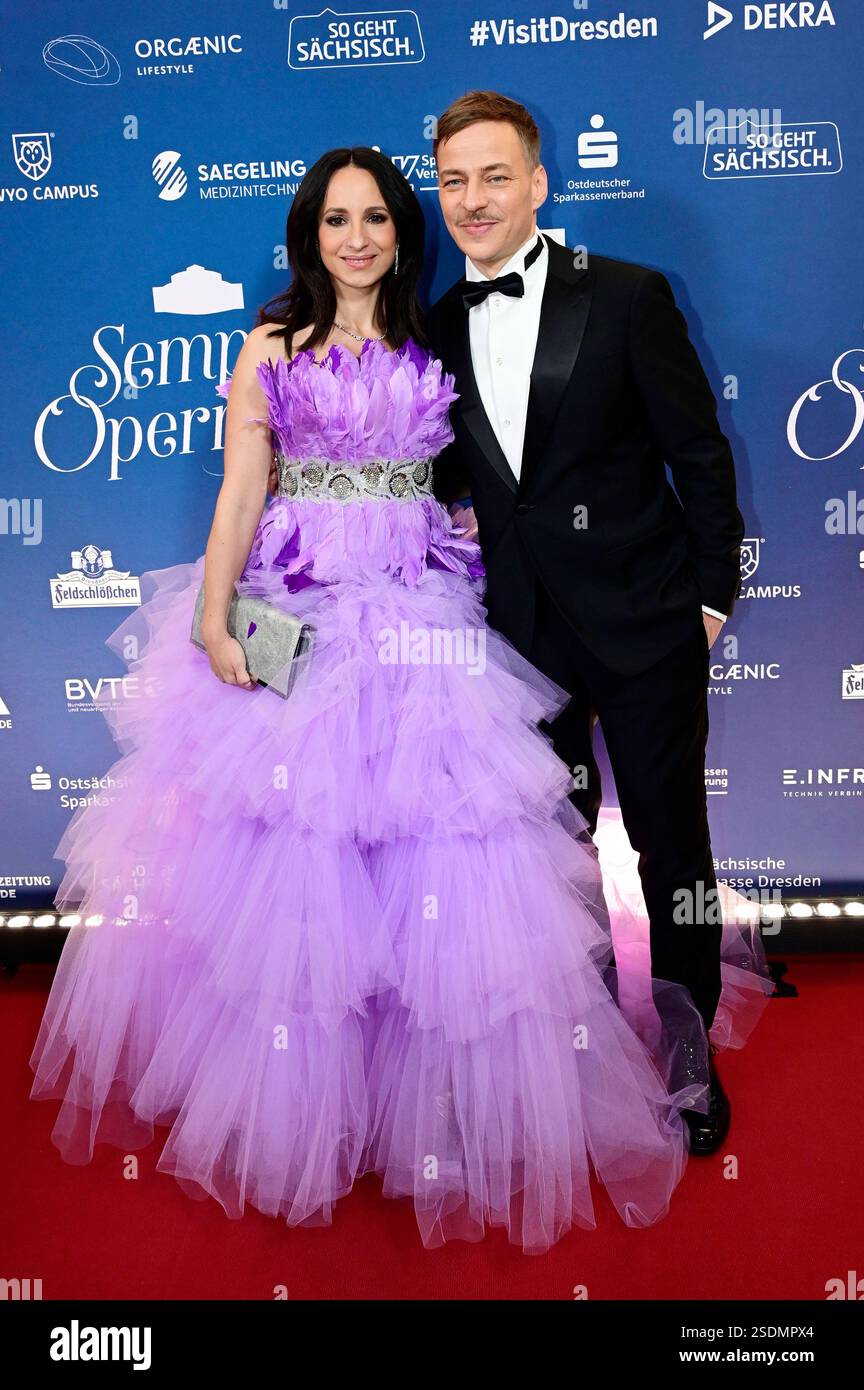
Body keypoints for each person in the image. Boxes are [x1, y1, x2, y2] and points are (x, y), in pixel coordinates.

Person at [30, 145, 744, 1256]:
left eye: (375, 218)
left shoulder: (435, 332)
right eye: (334, 220)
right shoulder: (271, 343)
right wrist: (216, 619)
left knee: (447, 857)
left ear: (403, 234)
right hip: (301, 613)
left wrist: (701, 590)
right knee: (306, 862)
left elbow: (506, 470)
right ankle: (324, 1105)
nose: (356, 238)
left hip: (432, 613)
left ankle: (516, 1081)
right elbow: (239, 488)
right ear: (308, 235)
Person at [425, 91, 774, 1156]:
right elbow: (450, 480)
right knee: (553, 854)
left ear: (538, 184)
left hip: (648, 624)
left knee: (675, 848)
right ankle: (580, 1051)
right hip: (519, 644)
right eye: (453, 181)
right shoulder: (435, 328)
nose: (474, 200)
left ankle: (684, 1050)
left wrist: (712, 594)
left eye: (495, 177)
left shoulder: (625, 296)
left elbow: (699, 454)